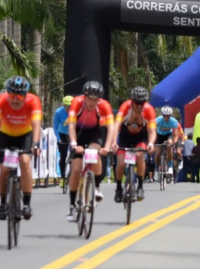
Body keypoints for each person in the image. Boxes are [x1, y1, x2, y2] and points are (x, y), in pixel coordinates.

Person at [0, 76, 42, 221]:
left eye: (20, 96)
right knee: (5, 169)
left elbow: (36, 124)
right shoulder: (1, 100)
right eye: (12, 95)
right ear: (8, 93)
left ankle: (26, 204)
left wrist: (36, 143)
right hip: (6, 136)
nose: (16, 99)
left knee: (24, 162)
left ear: (25, 95)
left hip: (25, 136)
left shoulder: (33, 100)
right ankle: (3, 203)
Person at [65, 81, 115, 220]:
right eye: (89, 98)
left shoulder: (104, 105)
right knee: (75, 170)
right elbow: (71, 125)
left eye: (95, 99)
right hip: (78, 133)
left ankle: (97, 187)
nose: (92, 102)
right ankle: (72, 205)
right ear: (84, 96)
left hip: (95, 133)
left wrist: (107, 146)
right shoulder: (77, 102)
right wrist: (74, 144)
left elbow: (111, 128)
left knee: (95, 154)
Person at [112, 86, 156, 202]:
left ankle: (140, 186)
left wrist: (151, 143)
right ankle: (118, 188)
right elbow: (116, 125)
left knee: (140, 156)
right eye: (136, 103)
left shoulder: (149, 110)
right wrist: (113, 141)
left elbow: (152, 131)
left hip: (140, 137)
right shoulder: (125, 106)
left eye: (142, 103)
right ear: (132, 101)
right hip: (125, 136)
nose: (139, 106)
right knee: (121, 163)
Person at [154, 106, 182, 178]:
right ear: (162, 115)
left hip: (168, 135)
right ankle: (157, 170)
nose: (166, 118)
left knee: (169, 146)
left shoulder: (174, 121)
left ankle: (170, 167)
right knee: (158, 153)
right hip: (159, 135)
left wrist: (174, 143)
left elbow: (175, 135)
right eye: (164, 116)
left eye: (168, 116)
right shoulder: (157, 120)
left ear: (170, 115)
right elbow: (152, 131)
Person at [53, 95, 74, 186]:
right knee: (63, 155)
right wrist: (59, 139)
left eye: (70, 107)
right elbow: (55, 127)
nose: (68, 109)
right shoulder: (58, 112)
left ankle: (73, 174)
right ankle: (62, 177)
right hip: (62, 134)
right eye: (66, 107)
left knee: (75, 156)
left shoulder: (76, 111)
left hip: (72, 133)